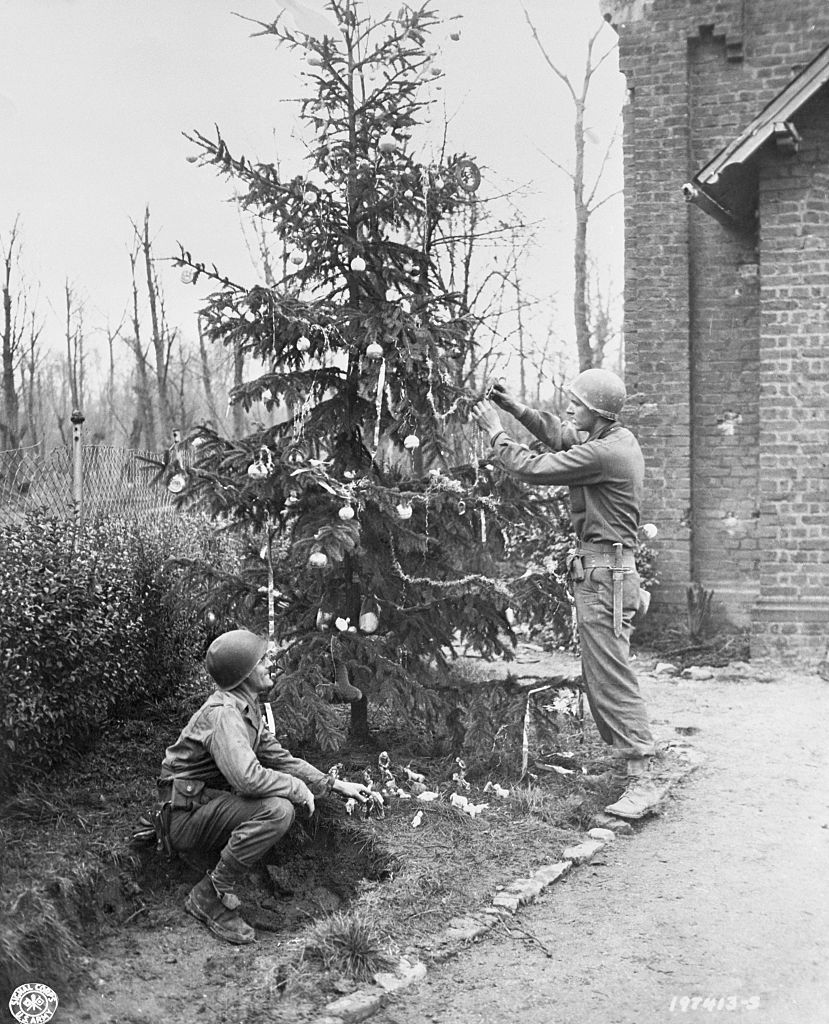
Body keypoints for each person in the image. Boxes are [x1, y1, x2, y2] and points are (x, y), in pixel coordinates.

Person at [471, 369, 659, 821]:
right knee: (602, 675)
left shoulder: (605, 453)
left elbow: (534, 467)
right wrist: (516, 410)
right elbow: (561, 434)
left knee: (611, 677)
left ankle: (643, 781)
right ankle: (632, 769)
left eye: (577, 404)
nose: (570, 409)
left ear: (597, 412)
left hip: (606, 579)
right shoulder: (615, 440)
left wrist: (496, 434)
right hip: (604, 574)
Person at [157, 628, 375, 944]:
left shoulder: (246, 705)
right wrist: (296, 788)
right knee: (278, 809)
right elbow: (246, 778)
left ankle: (223, 884)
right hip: (185, 817)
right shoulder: (225, 716)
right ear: (244, 674)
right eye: (262, 660)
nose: (269, 664)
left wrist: (334, 784)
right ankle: (210, 893)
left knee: (281, 801)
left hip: (202, 805)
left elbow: (279, 758)